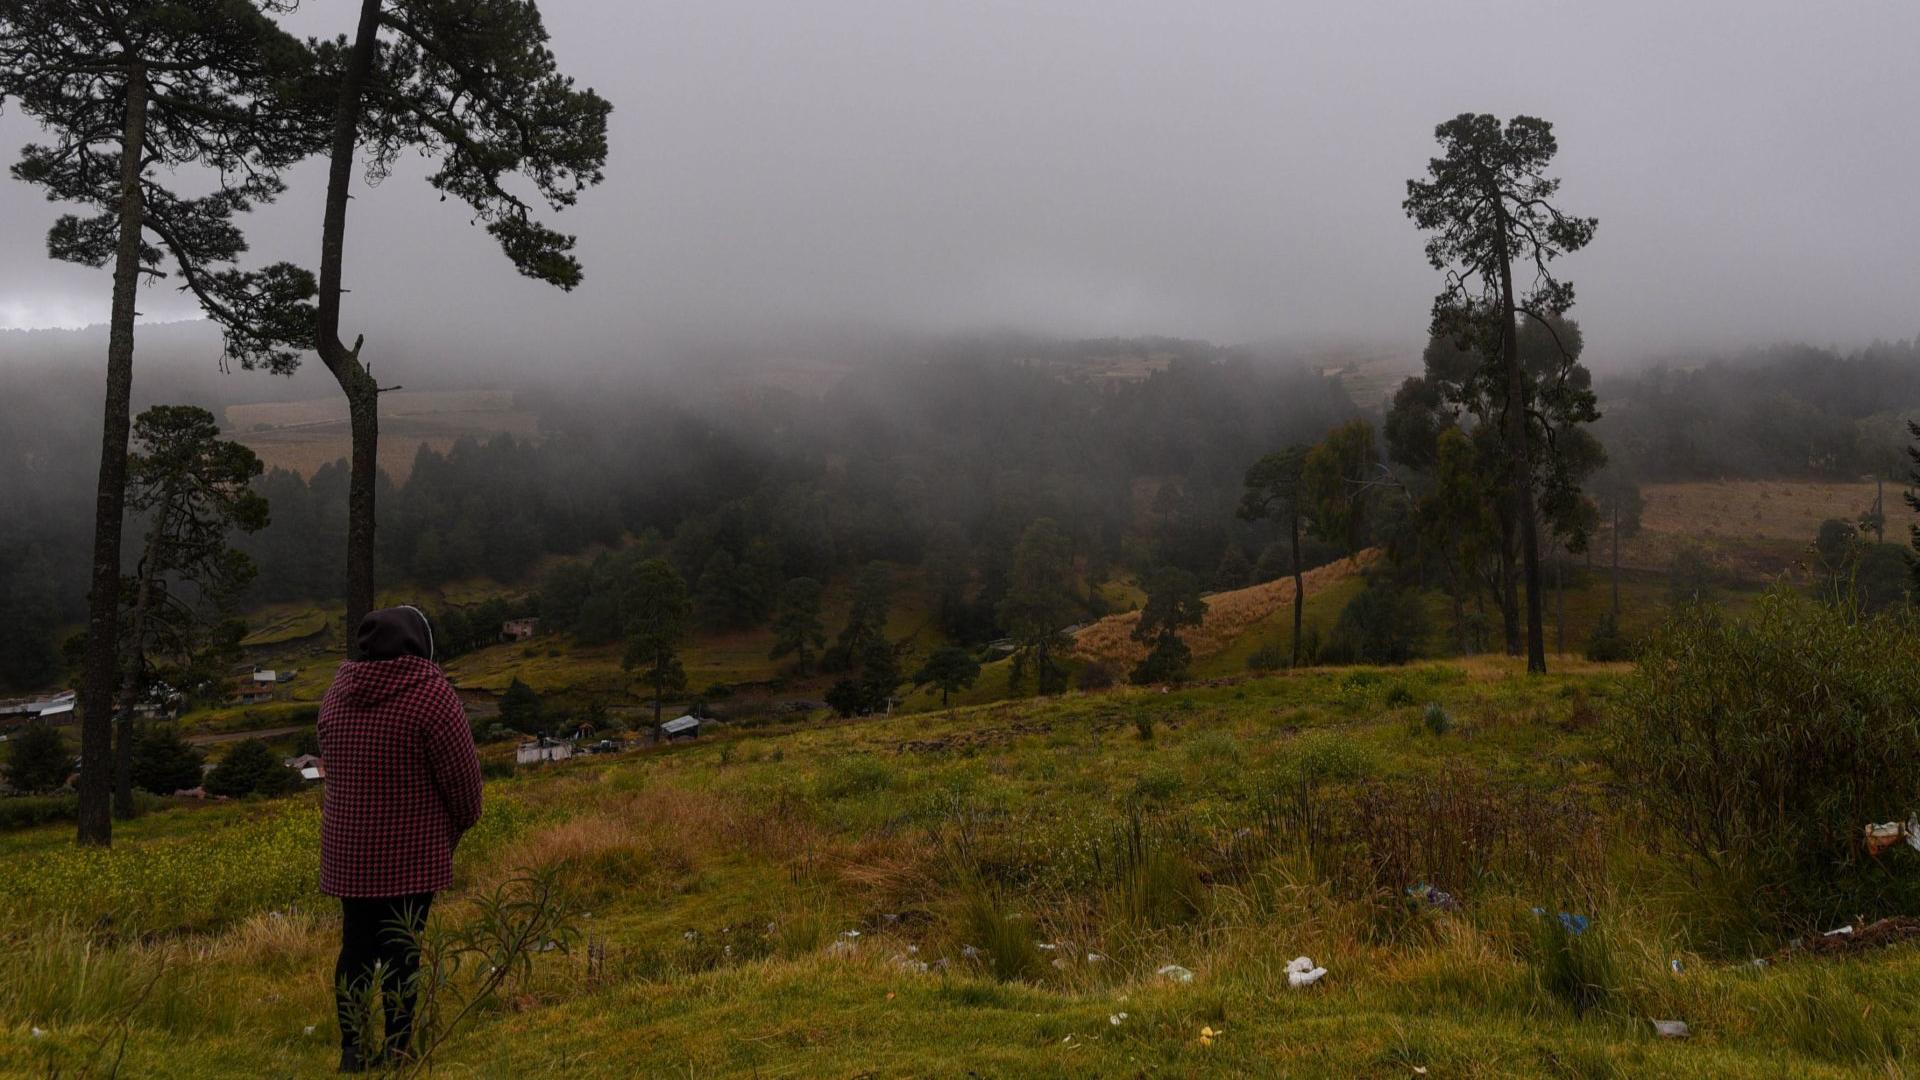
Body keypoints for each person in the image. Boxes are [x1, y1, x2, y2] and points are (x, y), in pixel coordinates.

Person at [318, 606, 483, 1072]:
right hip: (410, 853)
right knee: (401, 951)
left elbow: (333, 760)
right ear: (418, 642)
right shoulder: (431, 695)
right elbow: (463, 781)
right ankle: (397, 1049)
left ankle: (352, 1049)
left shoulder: (337, 693)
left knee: (355, 947)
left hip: (349, 850)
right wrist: (458, 825)